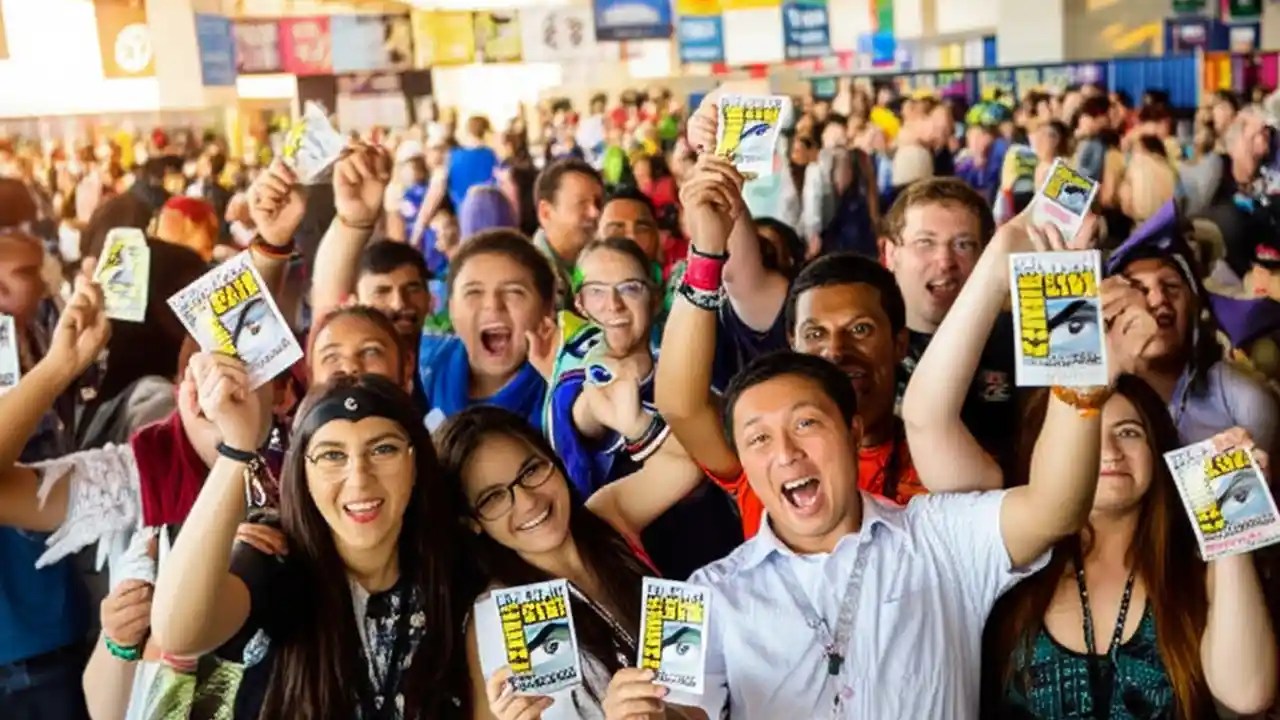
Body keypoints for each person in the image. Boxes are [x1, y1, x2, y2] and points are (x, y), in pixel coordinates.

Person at [656, 155, 990, 541]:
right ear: (792, 344)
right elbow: (680, 405)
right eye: (815, 334)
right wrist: (707, 253)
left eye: (860, 329)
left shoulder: (942, 461)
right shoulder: (769, 452)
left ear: (899, 342)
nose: (835, 350)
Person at [151, 374, 473, 718]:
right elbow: (178, 632)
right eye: (332, 455)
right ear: (302, 471)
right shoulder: (274, 558)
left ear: (415, 462)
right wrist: (237, 449)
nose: (359, 478)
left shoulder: (456, 564)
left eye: (383, 449)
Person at [435, 407, 703, 720]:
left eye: (531, 470)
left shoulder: (607, 519)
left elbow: (684, 464)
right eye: (492, 497)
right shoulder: (491, 619)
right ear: (472, 523)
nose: (527, 501)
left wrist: (632, 418)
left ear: (554, 459)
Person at [1104, 202, 1279, 454]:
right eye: (1139, 289)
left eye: (1171, 286)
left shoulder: (1243, 401)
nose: (1158, 299)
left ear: (1195, 306)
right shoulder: (1094, 399)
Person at [880, 177, 1018, 467]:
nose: (945, 261)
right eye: (925, 243)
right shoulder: (866, 347)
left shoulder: (1020, 338)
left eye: (963, 245)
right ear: (891, 254)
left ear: (985, 255)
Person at [418, 230, 556, 431]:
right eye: (473, 292)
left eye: (514, 292)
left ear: (548, 308)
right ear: (451, 308)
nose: (493, 305)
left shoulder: (564, 387)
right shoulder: (424, 364)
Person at [533, 159, 605, 308]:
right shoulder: (530, 280)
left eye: (598, 203)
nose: (595, 213)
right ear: (546, 213)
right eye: (581, 204)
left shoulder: (602, 263)